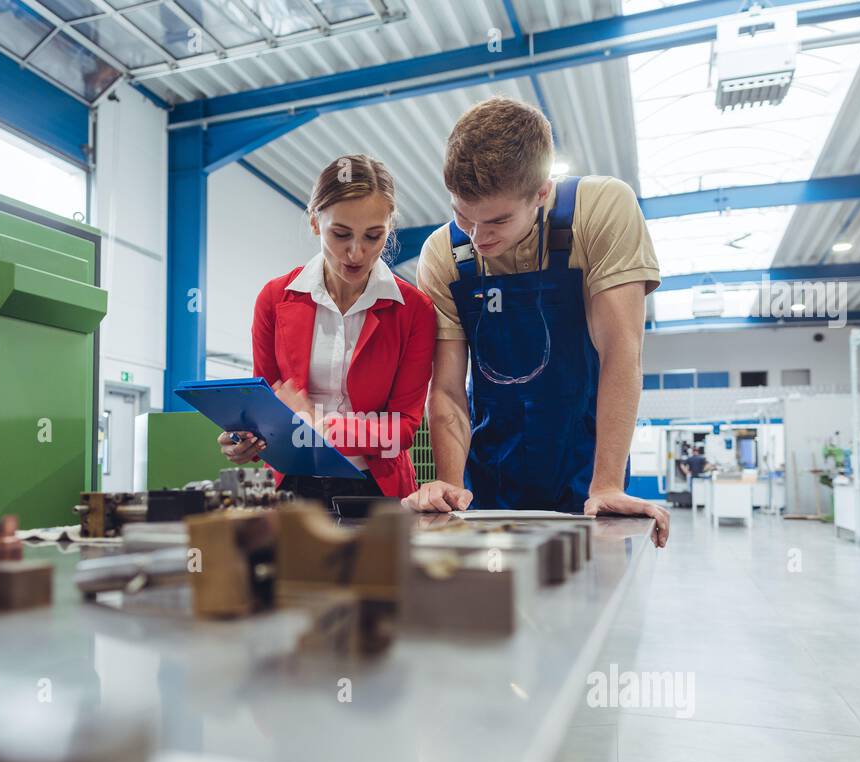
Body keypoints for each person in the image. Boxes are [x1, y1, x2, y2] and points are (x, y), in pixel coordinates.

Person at [405, 96, 670, 547]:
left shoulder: (601, 210)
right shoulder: (442, 253)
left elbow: (621, 355)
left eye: (497, 221)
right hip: (490, 478)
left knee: (587, 608)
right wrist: (450, 486)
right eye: (462, 215)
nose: (477, 236)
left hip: (587, 472)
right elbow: (448, 389)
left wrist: (606, 484)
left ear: (542, 192)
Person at [218, 155, 437, 509]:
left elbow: (403, 429)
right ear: (315, 222)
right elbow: (266, 403)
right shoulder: (274, 299)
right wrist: (243, 438)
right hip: (295, 489)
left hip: (379, 492)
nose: (356, 252)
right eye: (341, 234)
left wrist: (319, 425)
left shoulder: (414, 311)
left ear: (389, 228)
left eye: (373, 236)